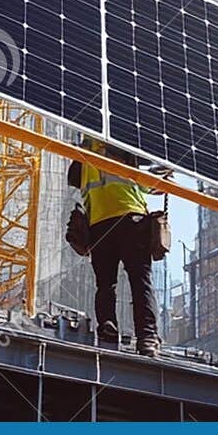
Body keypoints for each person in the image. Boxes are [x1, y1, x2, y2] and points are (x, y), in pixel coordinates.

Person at [68, 140, 159, 356]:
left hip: (102, 224)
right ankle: (146, 338)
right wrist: (163, 172)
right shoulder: (122, 144)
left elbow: (74, 180)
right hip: (129, 219)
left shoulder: (83, 154)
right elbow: (150, 185)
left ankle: (109, 332)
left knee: (107, 285)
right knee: (139, 282)